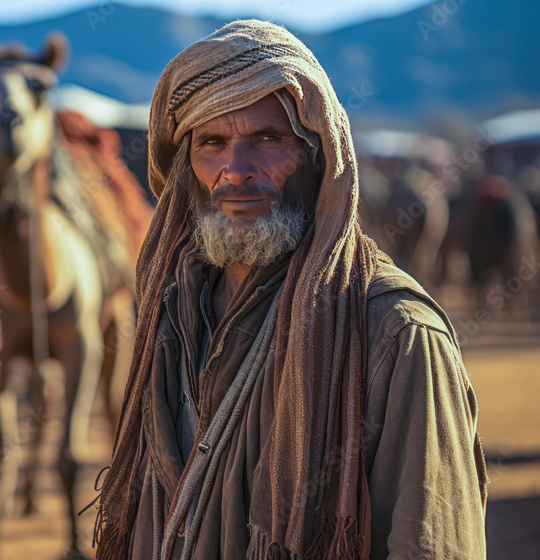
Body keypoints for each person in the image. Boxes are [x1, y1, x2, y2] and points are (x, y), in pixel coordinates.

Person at [93, 20, 488, 560]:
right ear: (186, 168)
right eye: (212, 144)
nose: (236, 170)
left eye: (267, 140)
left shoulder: (396, 333)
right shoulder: (171, 311)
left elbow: (433, 544)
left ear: (317, 156)